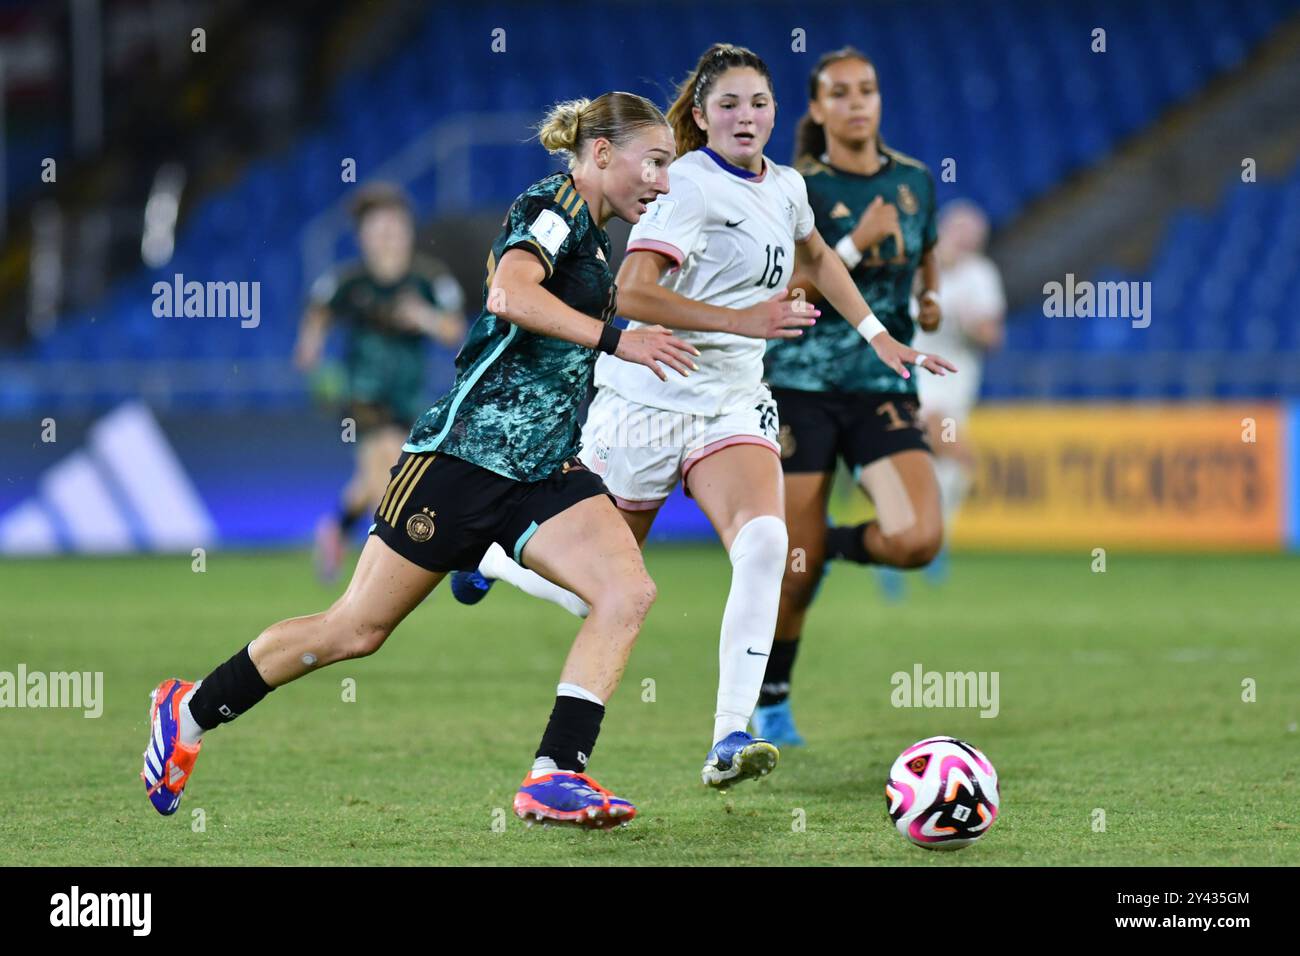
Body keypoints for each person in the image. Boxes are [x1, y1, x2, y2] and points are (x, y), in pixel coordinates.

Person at [141, 92, 699, 830]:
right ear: (602, 155)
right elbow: (508, 293)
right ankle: (190, 706)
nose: (662, 179)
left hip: (543, 468)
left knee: (627, 592)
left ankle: (556, 774)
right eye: (653, 161)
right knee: (355, 631)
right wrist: (614, 339)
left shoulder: (598, 238)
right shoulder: (555, 204)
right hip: (462, 458)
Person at [449, 44, 953, 788]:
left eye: (758, 104)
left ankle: (730, 737)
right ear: (702, 115)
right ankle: (493, 556)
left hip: (728, 400)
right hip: (647, 398)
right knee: (599, 584)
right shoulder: (683, 185)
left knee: (764, 545)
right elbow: (633, 291)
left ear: (776, 112)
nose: (745, 117)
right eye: (729, 105)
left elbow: (817, 260)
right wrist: (741, 320)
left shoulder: (785, 187)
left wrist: (881, 336)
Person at [753, 47, 948, 746]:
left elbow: (925, 257)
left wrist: (928, 300)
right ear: (816, 109)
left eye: (867, 89)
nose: (857, 102)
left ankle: (830, 543)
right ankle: (771, 701)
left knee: (916, 538)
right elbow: (776, 295)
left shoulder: (916, 182)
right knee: (791, 574)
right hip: (797, 385)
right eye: (840, 92)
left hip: (880, 388)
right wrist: (857, 247)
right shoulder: (788, 185)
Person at [294, 183, 467, 582]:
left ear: (407, 230)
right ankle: (390, 573)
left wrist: (422, 316)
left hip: (408, 393)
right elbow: (318, 314)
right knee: (389, 468)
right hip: (363, 392)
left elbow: (453, 330)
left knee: (379, 476)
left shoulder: (429, 278)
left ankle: (335, 531)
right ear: (363, 237)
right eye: (377, 229)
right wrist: (310, 348)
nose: (387, 236)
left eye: (394, 227)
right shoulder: (348, 282)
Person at [913, 199, 1006, 580]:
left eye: (972, 238)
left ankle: (926, 540)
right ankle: (920, 538)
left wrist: (972, 324)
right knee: (949, 447)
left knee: (948, 470)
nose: (965, 244)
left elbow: (992, 335)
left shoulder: (982, 275)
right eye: (959, 235)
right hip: (922, 374)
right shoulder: (920, 265)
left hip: (961, 381)